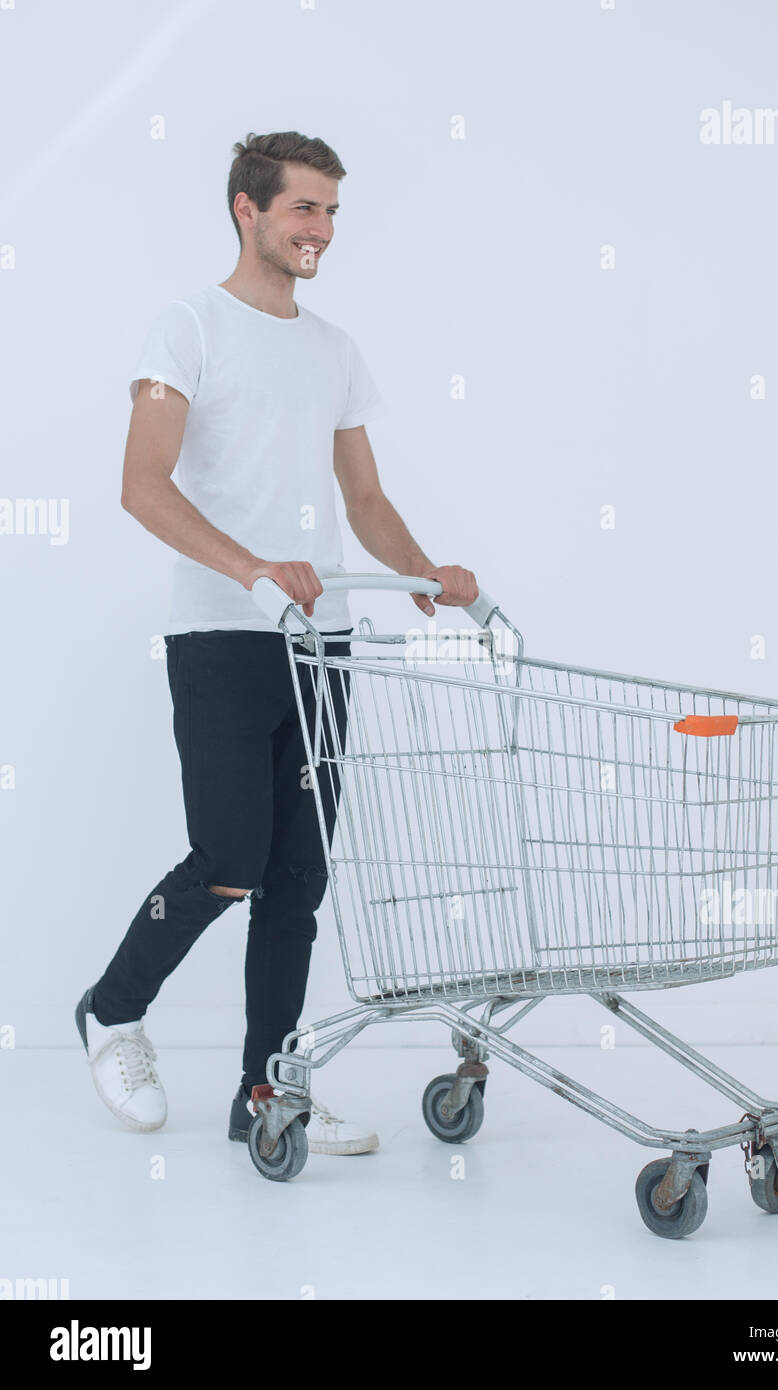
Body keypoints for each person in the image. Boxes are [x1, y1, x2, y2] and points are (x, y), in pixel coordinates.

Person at [75, 130, 478, 1155]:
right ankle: (113, 1009)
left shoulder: (333, 349)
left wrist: (430, 573)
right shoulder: (187, 327)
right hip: (222, 634)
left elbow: (367, 497)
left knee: (297, 877)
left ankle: (271, 1091)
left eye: (334, 212)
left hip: (321, 647)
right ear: (247, 210)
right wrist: (252, 567)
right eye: (306, 209)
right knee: (230, 858)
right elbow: (142, 486)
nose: (324, 231)